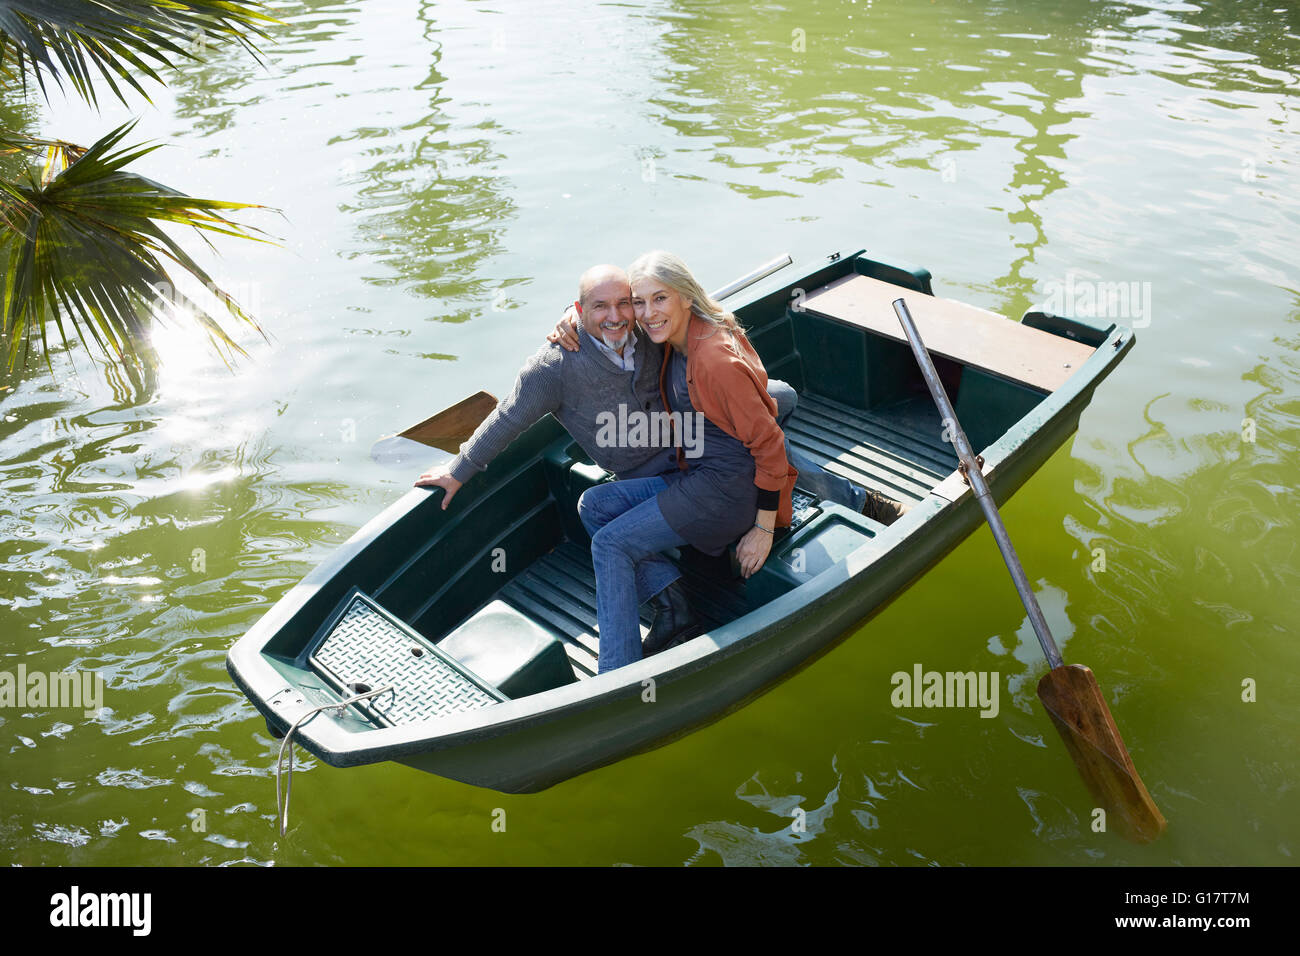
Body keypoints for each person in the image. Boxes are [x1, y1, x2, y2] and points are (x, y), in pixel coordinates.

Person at [577, 250, 800, 674]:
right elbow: (606, 321)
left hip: (728, 491)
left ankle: (614, 680)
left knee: (611, 543)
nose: (646, 313)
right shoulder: (672, 339)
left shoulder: (713, 359)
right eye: (639, 302)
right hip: (694, 474)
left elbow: (770, 443)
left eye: (659, 299)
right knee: (595, 505)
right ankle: (675, 608)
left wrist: (763, 527)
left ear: (684, 296)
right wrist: (570, 324)